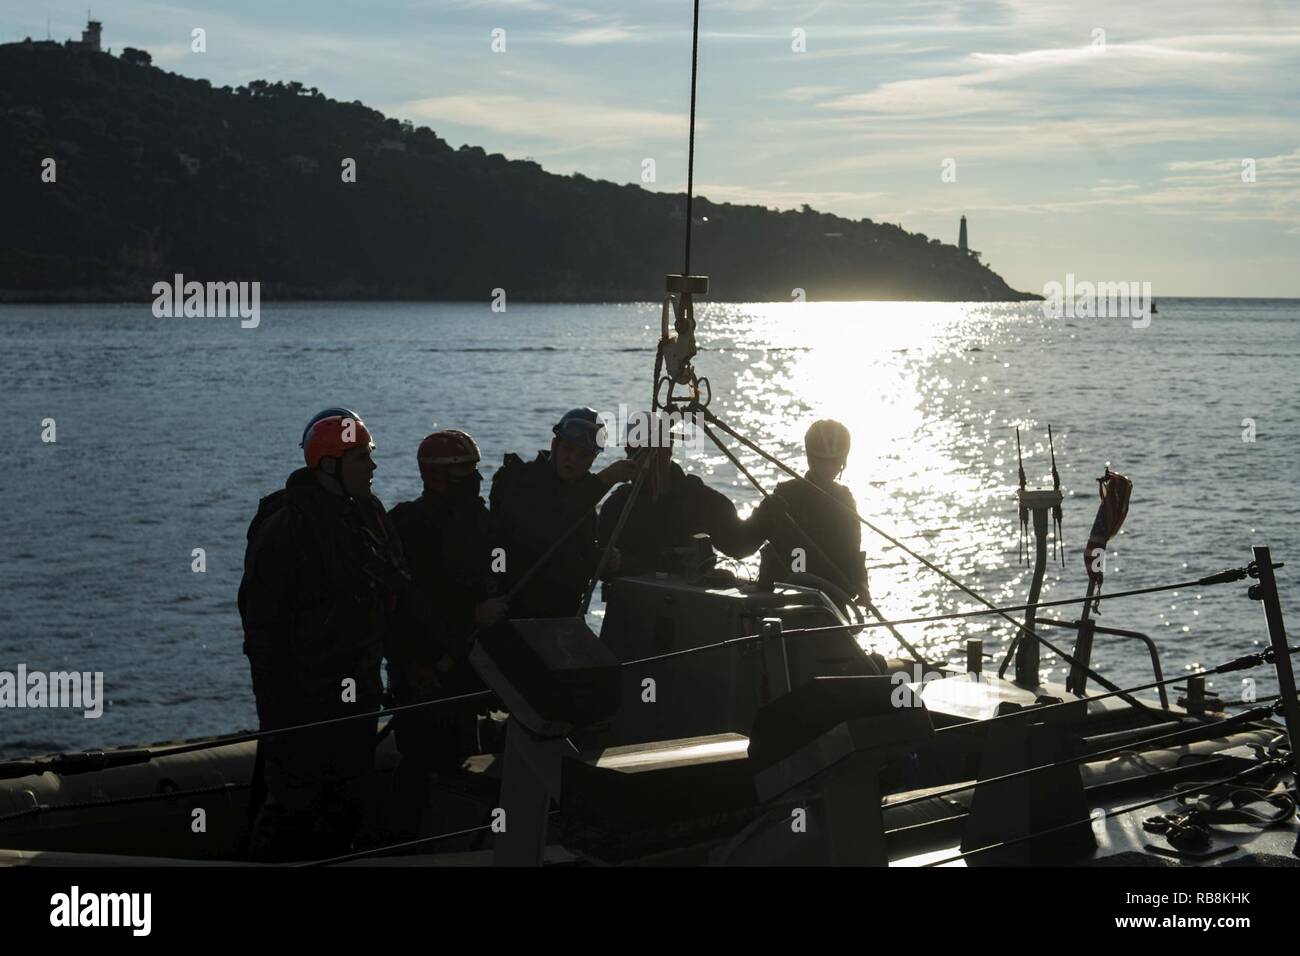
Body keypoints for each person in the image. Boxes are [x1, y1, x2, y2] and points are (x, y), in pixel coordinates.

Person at [238, 410, 408, 862]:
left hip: (358, 690)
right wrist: (279, 714)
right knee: (292, 805)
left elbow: (393, 587)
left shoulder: (367, 515)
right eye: (361, 459)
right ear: (329, 465)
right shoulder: (286, 530)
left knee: (348, 801)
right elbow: (262, 634)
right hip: (303, 702)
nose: (373, 467)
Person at [385, 429, 508, 835]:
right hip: (423, 671)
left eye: (474, 467)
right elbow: (407, 604)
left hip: (467, 668)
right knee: (422, 761)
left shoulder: (481, 521)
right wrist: (470, 614)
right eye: (463, 469)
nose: (474, 476)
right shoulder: (410, 525)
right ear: (437, 475)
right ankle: (403, 844)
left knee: (462, 754)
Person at [489, 407, 637, 617]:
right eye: (568, 448)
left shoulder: (584, 498)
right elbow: (546, 524)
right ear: (554, 445)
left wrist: (602, 561)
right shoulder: (519, 481)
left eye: (584, 454)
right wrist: (602, 481)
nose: (573, 459)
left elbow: (573, 555)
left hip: (562, 618)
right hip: (513, 614)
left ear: (592, 460)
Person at [597, 410, 779, 577]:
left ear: (669, 449)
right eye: (637, 450)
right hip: (632, 606)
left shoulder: (699, 499)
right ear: (628, 452)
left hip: (689, 608)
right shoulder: (617, 507)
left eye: (657, 449)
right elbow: (597, 565)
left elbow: (739, 545)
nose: (650, 458)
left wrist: (766, 514)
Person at [759, 419, 870, 602]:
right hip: (783, 597)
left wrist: (863, 587)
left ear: (842, 462)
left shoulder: (845, 500)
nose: (828, 468)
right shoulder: (784, 495)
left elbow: (853, 553)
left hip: (831, 601)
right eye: (822, 461)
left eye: (833, 462)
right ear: (810, 459)